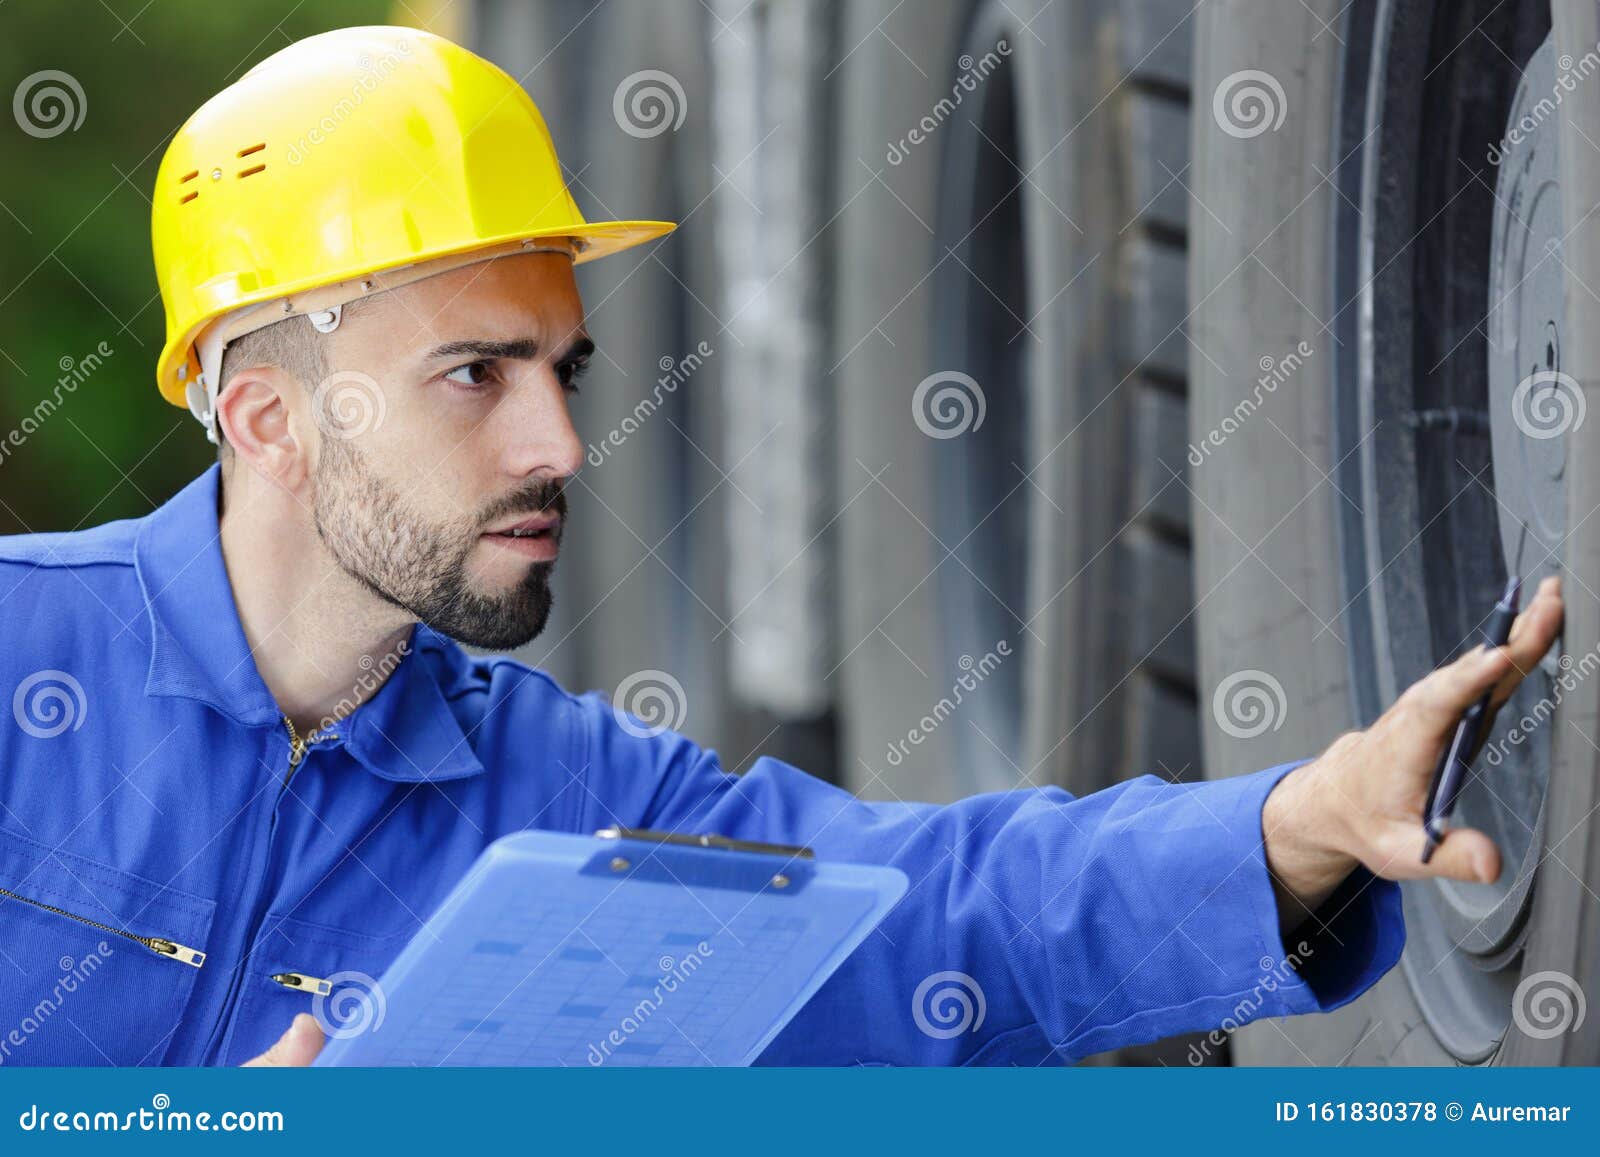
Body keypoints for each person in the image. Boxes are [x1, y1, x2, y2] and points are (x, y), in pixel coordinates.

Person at [0, 26, 1565, 1068]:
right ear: (268, 421)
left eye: (566, 371)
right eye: (475, 375)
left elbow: (939, 911)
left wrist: (1294, 823)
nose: (556, 444)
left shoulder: (569, 800)